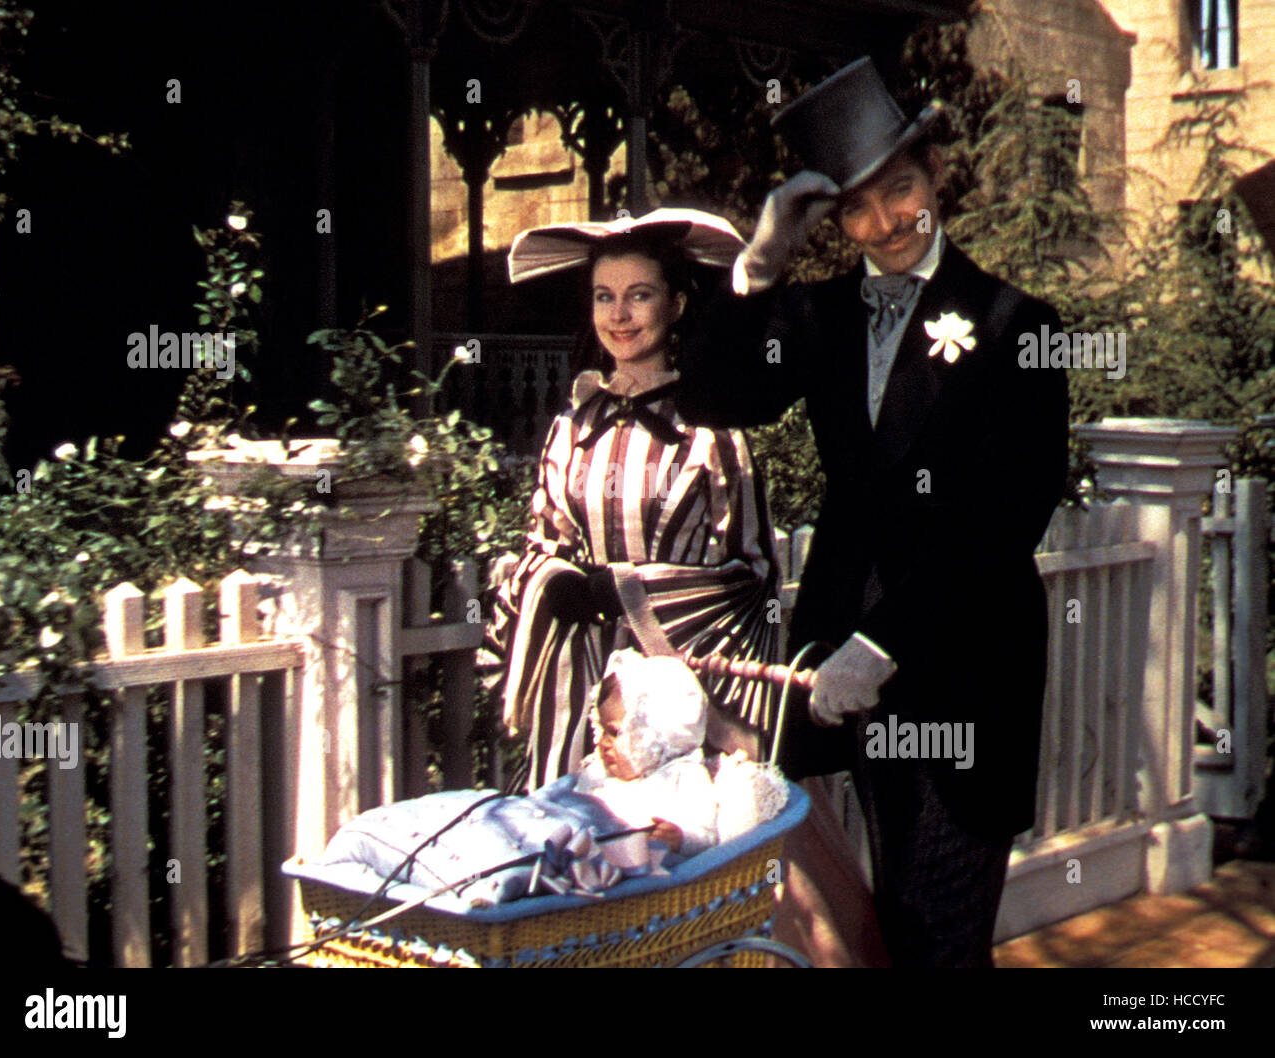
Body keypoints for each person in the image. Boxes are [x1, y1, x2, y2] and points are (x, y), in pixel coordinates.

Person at [674, 57, 1070, 967]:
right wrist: (759, 264)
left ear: (935, 176)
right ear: (835, 220)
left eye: (901, 190)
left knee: (935, 937)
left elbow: (1004, 515)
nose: (887, 221)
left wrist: (884, 641)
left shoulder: (1022, 325)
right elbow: (715, 396)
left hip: (962, 675)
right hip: (838, 687)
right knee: (858, 930)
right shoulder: (819, 317)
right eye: (856, 207)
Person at [483, 210, 782, 791]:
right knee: (579, 843)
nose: (618, 316)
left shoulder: (712, 430)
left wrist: (630, 593)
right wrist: (554, 579)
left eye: (639, 296)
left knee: (670, 851)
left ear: (676, 306)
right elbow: (542, 539)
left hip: (680, 682)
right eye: (604, 297)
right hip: (581, 682)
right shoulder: (571, 425)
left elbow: (751, 572)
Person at [316, 649, 790, 909]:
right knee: (485, 810)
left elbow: (706, 837)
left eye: (615, 732)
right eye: (598, 729)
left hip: (606, 855)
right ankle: (394, 841)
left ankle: (478, 877)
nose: (602, 743)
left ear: (659, 735)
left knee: (539, 844)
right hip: (559, 818)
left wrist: (679, 836)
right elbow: (552, 803)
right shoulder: (597, 773)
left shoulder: (684, 779)